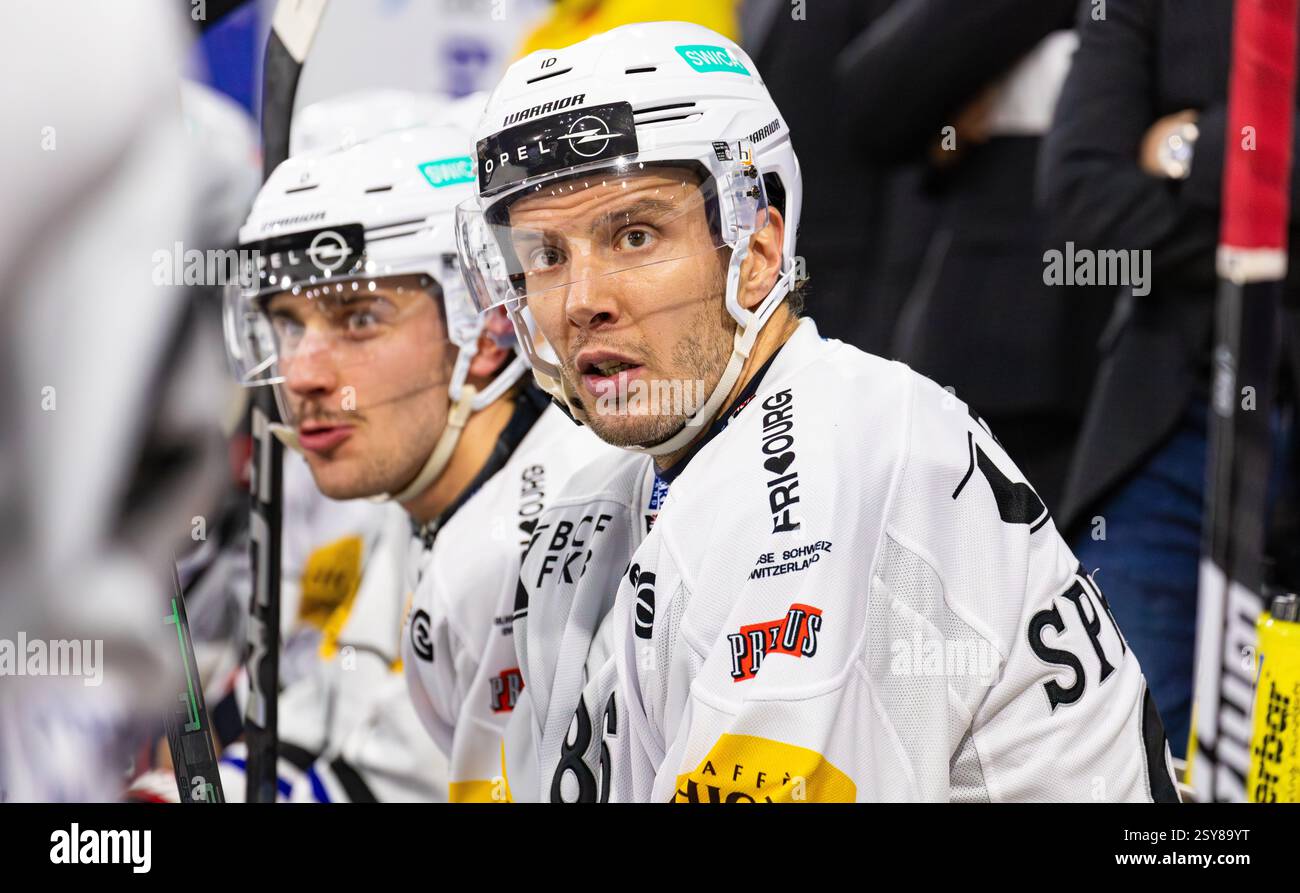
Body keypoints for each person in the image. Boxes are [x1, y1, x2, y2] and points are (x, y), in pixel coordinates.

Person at [456, 21, 1180, 801]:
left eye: (634, 235)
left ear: (758, 249)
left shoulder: (837, 467)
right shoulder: (599, 508)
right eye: (546, 255)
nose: (583, 301)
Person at [222, 119, 609, 800]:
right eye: (286, 322)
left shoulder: (563, 529)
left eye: (359, 319)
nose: (303, 375)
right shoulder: (428, 491)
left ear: (487, 331)